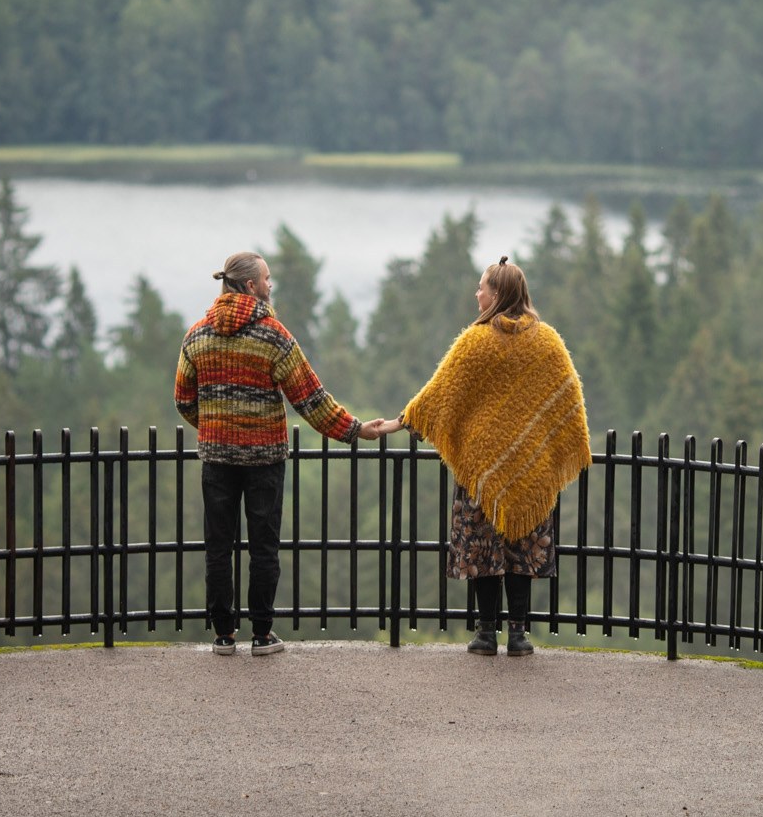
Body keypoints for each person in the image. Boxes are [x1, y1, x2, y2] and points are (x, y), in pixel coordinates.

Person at [368, 258, 591, 657]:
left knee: (484, 550)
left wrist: (396, 424)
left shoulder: (475, 341)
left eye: (482, 287)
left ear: (498, 293)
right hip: (532, 471)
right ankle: (519, 636)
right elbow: (570, 404)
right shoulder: (549, 342)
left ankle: (486, 633)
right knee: (522, 551)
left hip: (480, 473)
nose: (477, 294)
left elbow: (437, 397)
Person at [178, 251, 394, 656]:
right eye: (266, 278)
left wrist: (217, 428)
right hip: (264, 462)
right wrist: (356, 429)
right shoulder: (274, 336)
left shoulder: (196, 335)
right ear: (250, 286)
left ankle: (223, 636)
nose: (270, 284)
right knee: (263, 548)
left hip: (217, 461)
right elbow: (310, 400)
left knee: (218, 548)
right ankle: (261, 635)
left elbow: (183, 400)